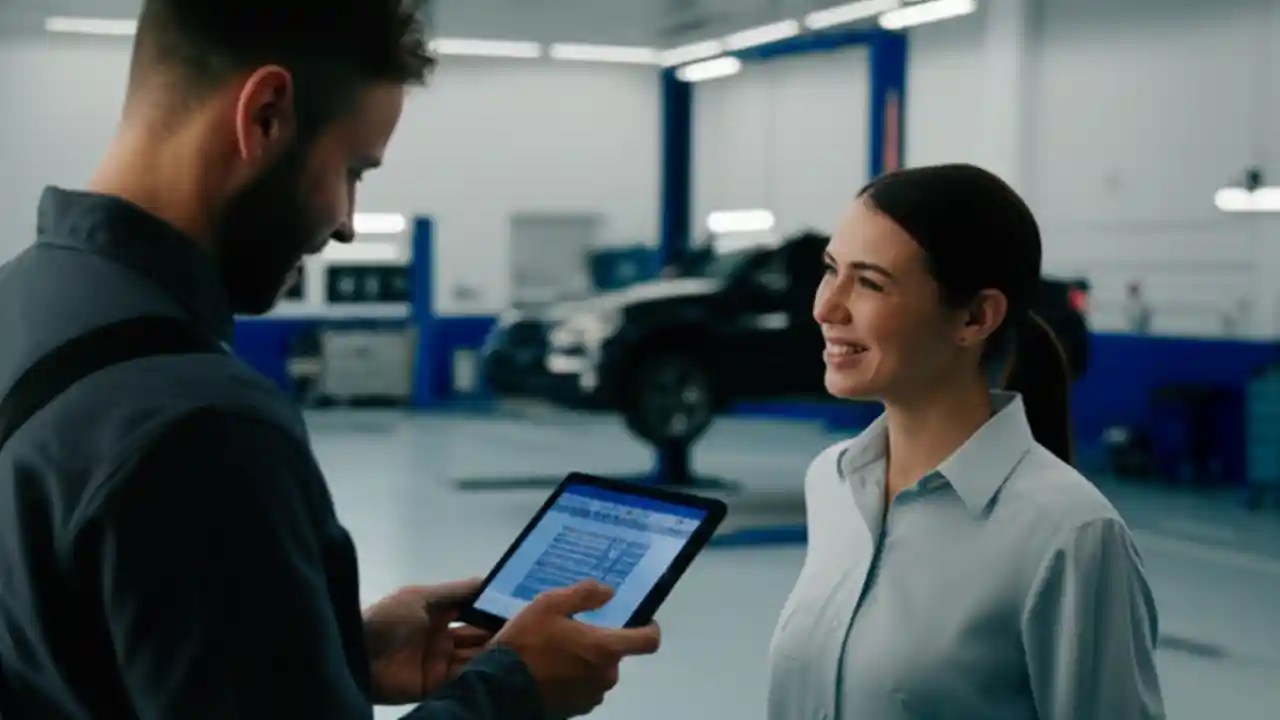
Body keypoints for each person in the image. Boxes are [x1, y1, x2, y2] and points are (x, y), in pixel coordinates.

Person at [0, 1, 660, 718]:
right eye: (352, 170)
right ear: (265, 114)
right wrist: (513, 689)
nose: (345, 223)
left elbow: (84, 645)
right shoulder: (202, 424)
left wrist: (334, 648)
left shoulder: (24, 305)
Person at [767, 164, 1164, 719]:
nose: (826, 308)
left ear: (976, 317)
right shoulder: (832, 482)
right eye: (831, 270)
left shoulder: (1070, 536)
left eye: (870, 282)